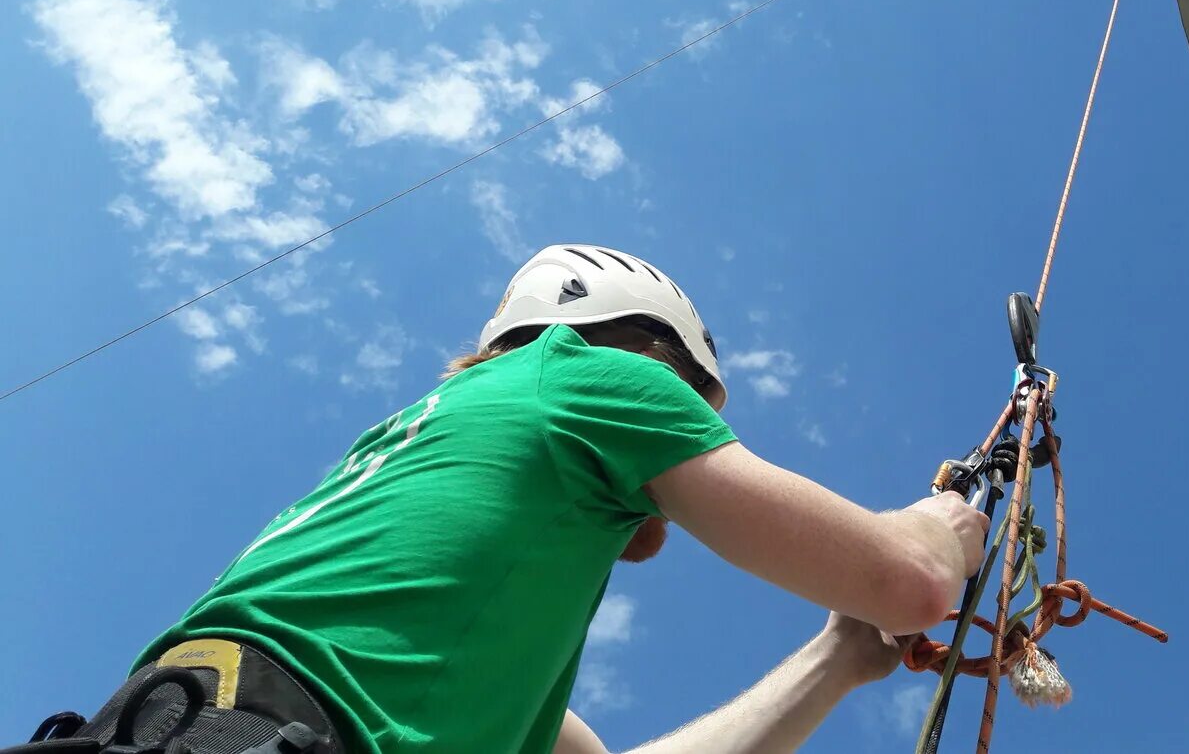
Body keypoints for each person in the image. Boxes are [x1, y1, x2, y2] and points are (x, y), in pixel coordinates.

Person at [14, 245, 986, 754]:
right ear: (656, 354)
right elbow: (908, 581)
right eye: (694, 410)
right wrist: (941, 529)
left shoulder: (417, 508)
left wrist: (834, 660)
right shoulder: (595, 375)